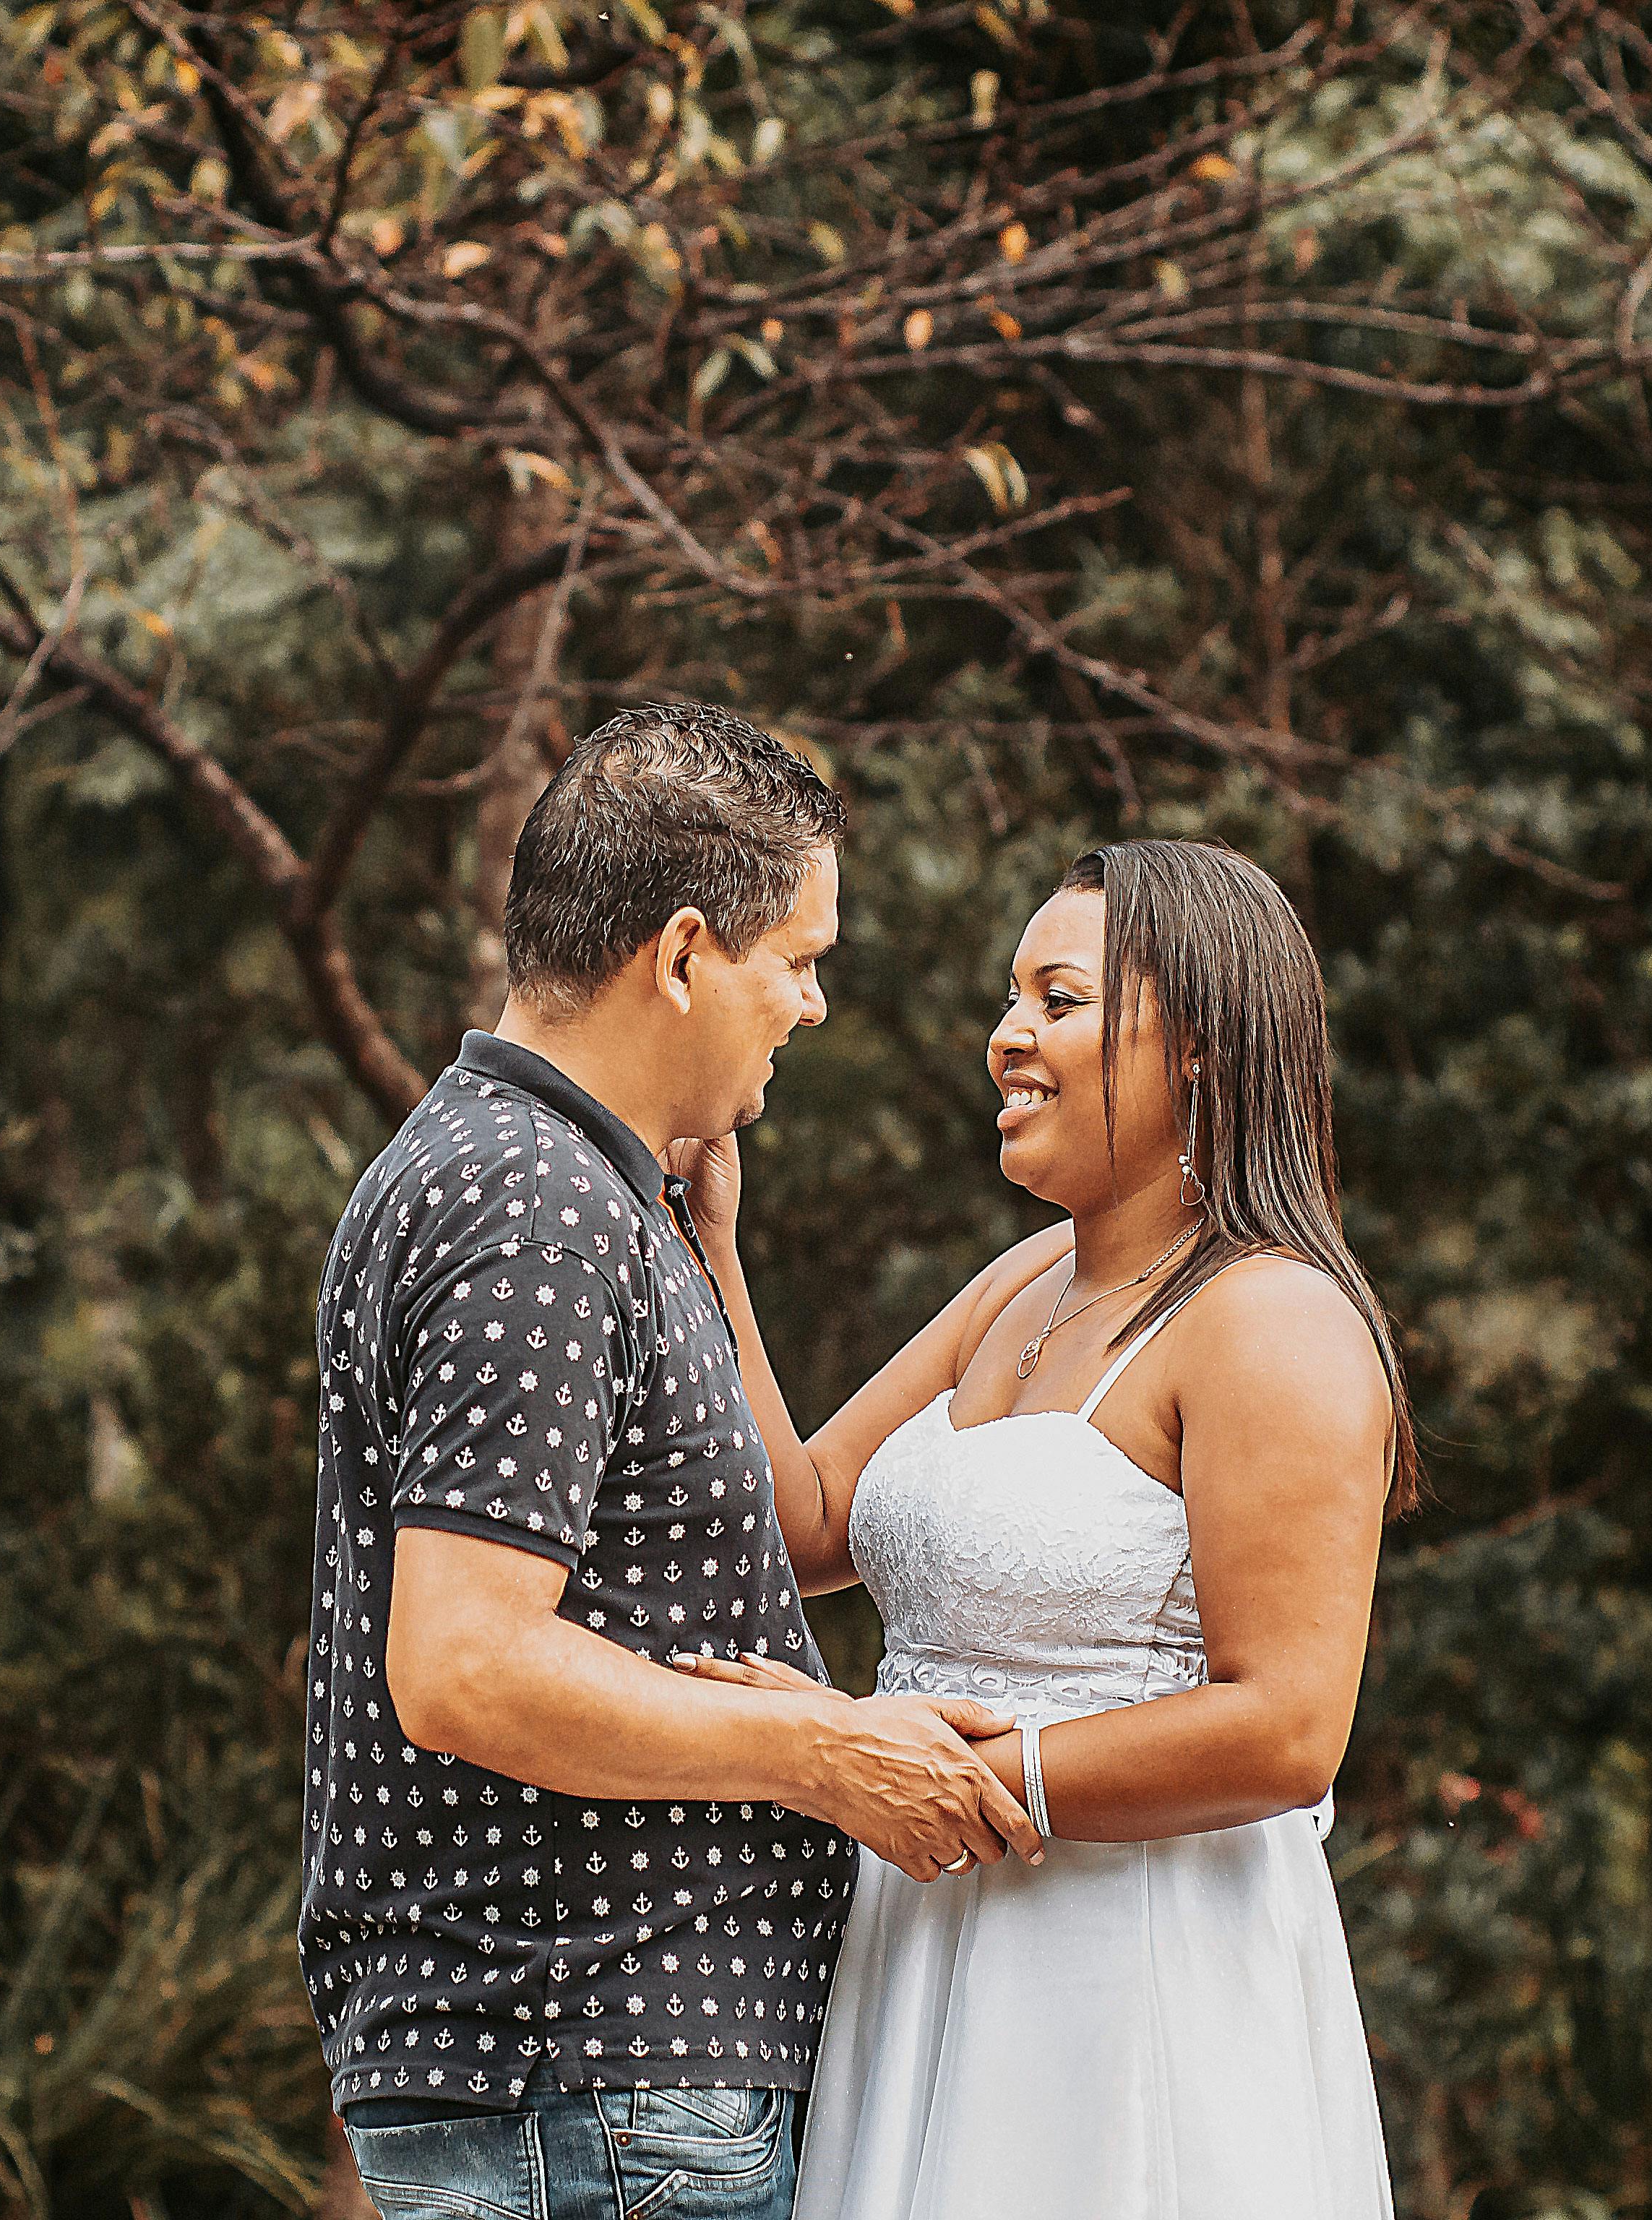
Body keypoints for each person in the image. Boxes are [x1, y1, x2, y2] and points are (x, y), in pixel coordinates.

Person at [301, 702, 1040, 2220]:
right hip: (591, 2083)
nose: (815, 1005)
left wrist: (714, 1252)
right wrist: (829, 1756)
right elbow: (464, 1666)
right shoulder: (536, 1211)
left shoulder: (554, 1187)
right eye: (802, 959)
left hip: (595, 2086)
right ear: (687, 952)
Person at [676, 838, 1413, 2220]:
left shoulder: (1274, 1323)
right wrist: (714, 1248)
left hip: (1126, 1969)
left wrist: (958, 1774)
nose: (1007, 1037)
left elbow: (1291, 1727)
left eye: (1059, 1001)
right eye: (1013, 999)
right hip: (924, 1943)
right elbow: (805, 1520)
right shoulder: (1023, 1280)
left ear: (1195, 1046)